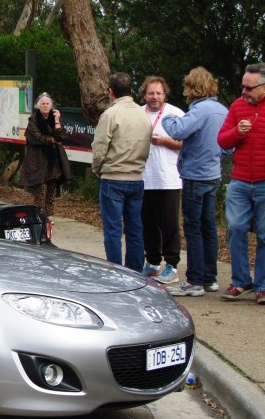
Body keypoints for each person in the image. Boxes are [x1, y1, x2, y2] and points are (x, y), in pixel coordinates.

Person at [160, 67, 229, 297]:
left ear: (193, 88)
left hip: (195, 176)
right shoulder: (222, 110)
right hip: (213, 174)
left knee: (193, 228)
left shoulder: (199, 110)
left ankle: (194, 280)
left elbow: (178, 131)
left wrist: (168, 117)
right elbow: (228, 145)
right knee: (208, 226)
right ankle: (210, 278)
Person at [91, 72, 151, 272]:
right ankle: (135, 271)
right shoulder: (143, 114)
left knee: (113, 230)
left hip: (113, 177)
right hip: (136, 177)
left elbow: (100, 148)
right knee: (135, 228)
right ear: (131, 91)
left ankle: (116, 271)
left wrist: (97, 168)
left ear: (111, 92)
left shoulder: (110, 115)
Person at [216, 62, 265, 304]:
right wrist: (237, 131)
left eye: (249, 87)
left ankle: (262, 286)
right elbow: (222, 140)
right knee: (235, 228)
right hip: (240, 180)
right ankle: (241, 281)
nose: (244, 91)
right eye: (243, 86)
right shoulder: (237, 106)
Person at [139, 76, 183, 285]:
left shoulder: (175, 114)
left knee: (169, 224)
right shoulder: (138, 113)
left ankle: (172, 266)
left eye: (158, 93)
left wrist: (165, 141)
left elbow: (186, 144)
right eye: (151, 93)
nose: (154, 97)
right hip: (143, 177)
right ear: (144, 95)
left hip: (167, 178)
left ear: (165, 94)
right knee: (147, 223)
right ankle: (153, 262)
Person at [20, 93, 70, 216]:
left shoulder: (55, 118)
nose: (45, 106)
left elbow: (61, 136)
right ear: (39, 106)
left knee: (51, 191)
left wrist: (57, 121)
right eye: (43, 104)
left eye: (48, 103)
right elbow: (37, 137)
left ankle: (48, 217)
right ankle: (39, 217)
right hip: (38, 160)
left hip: (53, 161)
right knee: (40, 190)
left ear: (51, 105)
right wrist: (52, 139)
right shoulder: (33, 119)